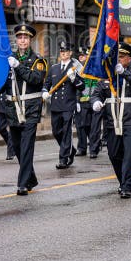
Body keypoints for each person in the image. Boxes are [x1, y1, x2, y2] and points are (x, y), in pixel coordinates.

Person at [0, 24, 47, 196]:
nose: (22, 40)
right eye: (20, 37)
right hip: (12, 110)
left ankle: (22, 184)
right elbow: (0, 80)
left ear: (30, 40)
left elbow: (36, 79)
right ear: (17, 40)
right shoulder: (9, 59)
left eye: (25, 37)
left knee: (27, 147)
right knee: (18, 147)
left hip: (30, 110)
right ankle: (31, 178)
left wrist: (19, 66)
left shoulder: (38, 60)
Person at [90, 42, 131, 199]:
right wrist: (95, 101)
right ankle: (123, 182)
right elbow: (97, 92)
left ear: (129, 58)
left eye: (121, 57)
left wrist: (124, 73)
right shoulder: (107, 74)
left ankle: (127, 187)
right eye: (116, 57)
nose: (118, 60)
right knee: (114, 154)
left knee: (129, 155)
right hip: (112, 120)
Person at [43, 41, 84, 169]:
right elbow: (47, 83)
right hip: (55, 105)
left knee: (66, 131)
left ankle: (63, 158)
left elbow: (82, 86)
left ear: (70, 53)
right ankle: (70, 150)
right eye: (61, 51)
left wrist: (73, 79)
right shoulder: (54, 68)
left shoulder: (75, 67)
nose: (63, 53)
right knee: (56, 131)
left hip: (68, 105)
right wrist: (44, 91)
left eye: (66, 51)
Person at [74, 46, 96, 157]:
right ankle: (81, 148)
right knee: (80, 126)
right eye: (80, 56)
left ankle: (93, 149)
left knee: (92, 126)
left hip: (93, 101)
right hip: (81, 101)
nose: (82, 58)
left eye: (84, 55)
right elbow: (77, 86)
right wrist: (76, 101)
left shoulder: (94, 68)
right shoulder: (78, 69)